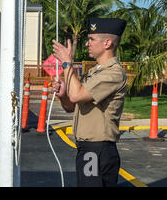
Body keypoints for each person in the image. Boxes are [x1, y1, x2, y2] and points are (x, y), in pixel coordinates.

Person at [51, 17, 127, 187]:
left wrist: (67, 62)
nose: (87, 44)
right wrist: (63, 95)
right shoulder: (94, 72)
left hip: (97, 149)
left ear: (107, 43)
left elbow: (77, 95)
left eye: (92, 39)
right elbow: (71, 106)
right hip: (88, 149)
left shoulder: (113, 73)